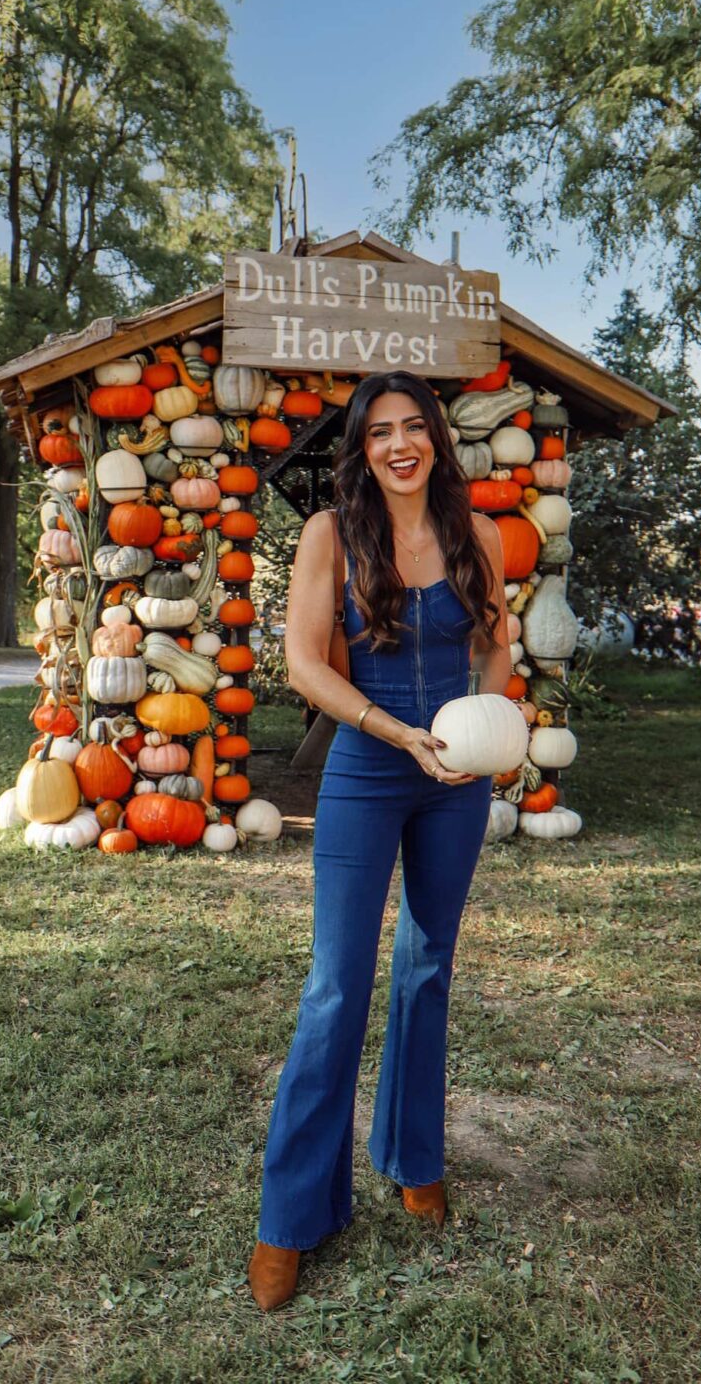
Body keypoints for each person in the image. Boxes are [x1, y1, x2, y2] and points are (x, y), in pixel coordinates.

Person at [247, 371, 511, 1311]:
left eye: (414, 428)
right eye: (380, 433)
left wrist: (492, 728)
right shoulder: (332, 535)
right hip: (366, 767)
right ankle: (291, 1218)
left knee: (428, 963)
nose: (400, 445)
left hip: (457, 784)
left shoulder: (477, 535)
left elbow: (495, 646)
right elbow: (303, 663)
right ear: (360, 450)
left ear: (436, 438)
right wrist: (398, 734)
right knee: (335, 986)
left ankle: (413, 1156)